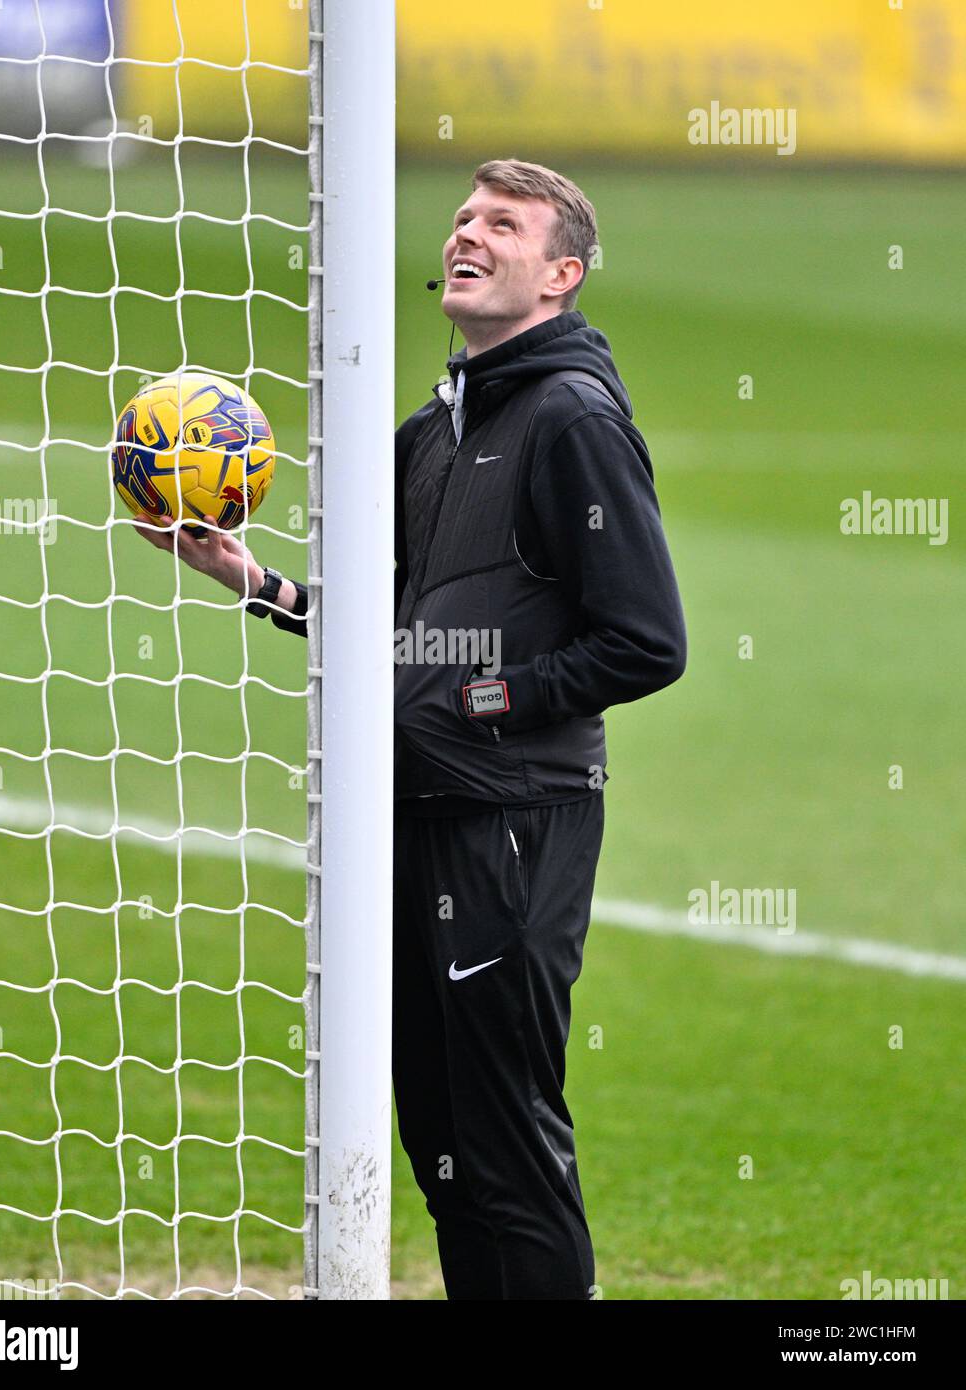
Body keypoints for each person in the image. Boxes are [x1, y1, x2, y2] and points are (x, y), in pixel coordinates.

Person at [137, 158, 686, 1301]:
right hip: (413, 816)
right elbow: (394, 641)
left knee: (506, 1147)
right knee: (439, 1147)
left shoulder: (574, 419)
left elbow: (645, 640)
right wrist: (254, 581)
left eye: (505, 224)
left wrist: (484, 700)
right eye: (463, 217)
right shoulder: (428, 434)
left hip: (514, 822)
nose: (469, 234)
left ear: (560, 276)